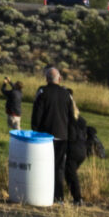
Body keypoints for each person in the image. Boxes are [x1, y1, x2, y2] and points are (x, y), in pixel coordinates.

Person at [30, 66, 83, 204]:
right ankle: (58, 197)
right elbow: (71, 117)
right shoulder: (66, 94)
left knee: (42, 166)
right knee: (58, 167)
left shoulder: (42, 92)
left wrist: (35, 131)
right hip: (62, 136)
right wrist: (70, 136)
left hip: (45, 137)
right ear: (59, 79)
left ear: (46, 79)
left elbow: (37, 115)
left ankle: (42, 193)